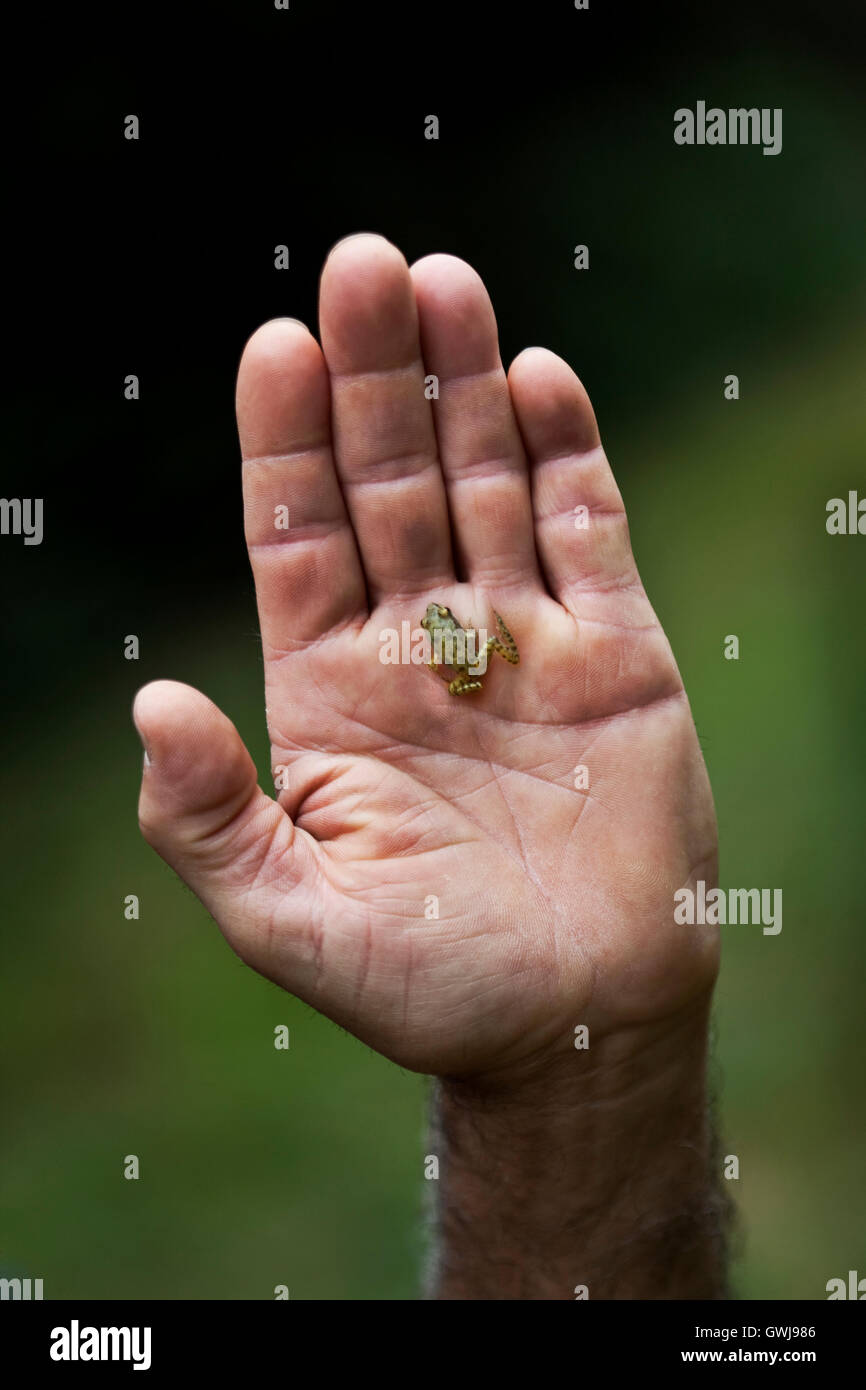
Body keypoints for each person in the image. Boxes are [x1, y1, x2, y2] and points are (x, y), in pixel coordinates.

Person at [133, 234, 730, 1299]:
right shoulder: (470, 650)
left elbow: (482, 657)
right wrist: (570, 1069)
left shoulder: (482, 652)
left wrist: (593, 1070)